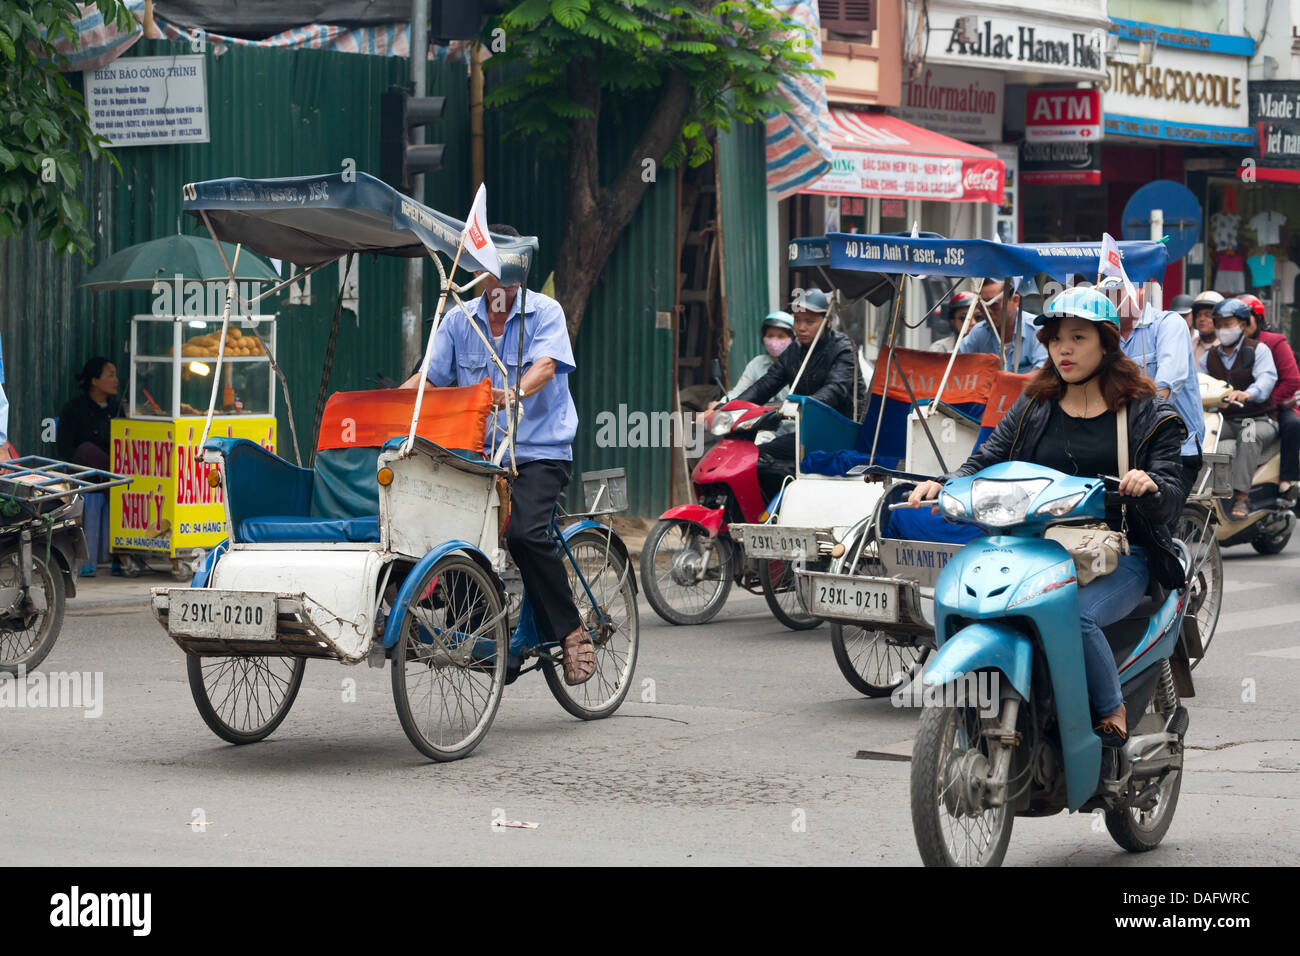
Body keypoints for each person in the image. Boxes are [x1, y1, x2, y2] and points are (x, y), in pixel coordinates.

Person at [908, 287, 1188, 745]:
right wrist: (946, 483)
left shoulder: (1145, 411)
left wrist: (1149, 485)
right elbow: (987, 457)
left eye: (1078, 337)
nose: (1065, 349)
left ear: (1107, 343)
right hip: (1034, 546)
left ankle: (1108, 706)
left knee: (1075, 615)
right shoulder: (1035, 404)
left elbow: (1173, 491)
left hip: (1118, 552)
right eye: (1056, 339)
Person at [399, 224, 593, 685]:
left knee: (525, 534)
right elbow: (429, 377)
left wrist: (513, 393)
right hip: (479, 455)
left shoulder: (546, 312)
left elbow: (545, 366)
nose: (498, 279)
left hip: (538, 451)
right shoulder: (458, 320)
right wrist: (388, 405)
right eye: (488, 269)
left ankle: (571, 630)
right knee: (450, 529)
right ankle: (472, 624)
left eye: (506, 269)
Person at [1099, 277, 1205, 486]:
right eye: (1107, 296)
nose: (1112, 301)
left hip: (1176, 449)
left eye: (1119, 293)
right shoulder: (1105, 336)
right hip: (1124, 448)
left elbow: (1164, 388)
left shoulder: (1169, 324)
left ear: (1140, 292)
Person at [1199, 298, 1278, 519]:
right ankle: (1200, 494)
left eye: (1228, 323)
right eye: (1220, 324)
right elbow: (1201, 384)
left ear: (1242, 325)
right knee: (1199, 435)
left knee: (1248, 435)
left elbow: (1266, 380)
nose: (1223, 329)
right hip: (1224, 420)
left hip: (1258, 418)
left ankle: (1242, 496)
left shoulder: (1258, 350)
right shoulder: (1209, 357)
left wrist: (1248, 393)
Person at [57, 357, 122, 576]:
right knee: (87, 450)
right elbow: (66, 451)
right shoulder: (74, 409)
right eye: (110, 374)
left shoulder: (118, 408)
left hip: (113, 476)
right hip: (86, 476)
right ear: (94, 380)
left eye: (115, 374)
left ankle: (123, 553)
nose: (115, 380)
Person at [1239, 293, 1300, 502]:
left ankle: (1287, 480)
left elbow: (1292, 380)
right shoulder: (1229, 347)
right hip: (1240, 406)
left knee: (1292, 425)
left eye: (1245, 320)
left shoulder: (1275, 342)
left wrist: (1267, 401)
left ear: (1259, 319)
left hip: (1276, 406)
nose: (1240, 325)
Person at [957, 277, 1048, 372]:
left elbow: (1041, 375)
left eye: (994, 305)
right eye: (981, 306)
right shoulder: (978, 333)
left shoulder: (1037, 329)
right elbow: (955, 362)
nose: (987, 312)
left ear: (1015, 300)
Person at [707, 312, 794, 409]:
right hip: (761, 418)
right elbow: (740, 392)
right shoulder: (757, 364)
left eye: (781, 336)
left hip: (792, 418)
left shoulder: (797, 363)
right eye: (770, 335)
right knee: (694, 419)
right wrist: (721, 405)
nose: (774, 341)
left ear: (793, 339)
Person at [1190, 290, 1224, 364]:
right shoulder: (1189, 346)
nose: (1202, 319)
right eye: (1198, 315)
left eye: (1208, 315)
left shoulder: (1226, 345)